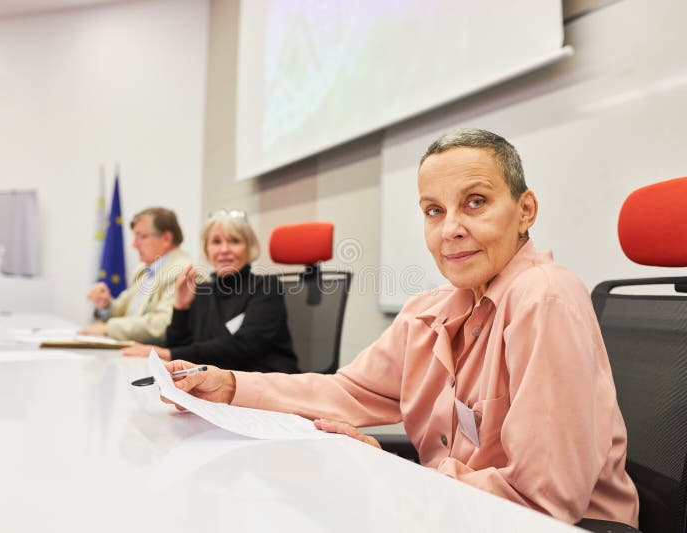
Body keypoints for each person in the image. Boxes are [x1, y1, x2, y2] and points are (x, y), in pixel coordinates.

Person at [161, 129, 639, 527]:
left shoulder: (544, 297)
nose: (449, 228)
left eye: (475, 202)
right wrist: (230, 385)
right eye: (433, 210)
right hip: (459, 513)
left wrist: (393, 478)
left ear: (526, 211)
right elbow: (346, 392)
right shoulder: (426, 313)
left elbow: (545, 502)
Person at [122, 210, 299, 374]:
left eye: (234, 241)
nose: (224, 250)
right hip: (216, 390)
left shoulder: (266, 287)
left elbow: (245, 345)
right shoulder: (202, 289)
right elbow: (180, 348)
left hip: (265, 384)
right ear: (207, 249)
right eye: (216, 242)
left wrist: (168, 353)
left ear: (249, 247)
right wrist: (181, 308)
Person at [80, 207, 191, 343]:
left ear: (166, 238)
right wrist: (106, 305)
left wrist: (108, 328)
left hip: (157, 358)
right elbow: (123, 310)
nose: (134, 244)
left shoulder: (183, 271)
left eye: (141, 237)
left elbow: (163, 324)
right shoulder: (144, 270)